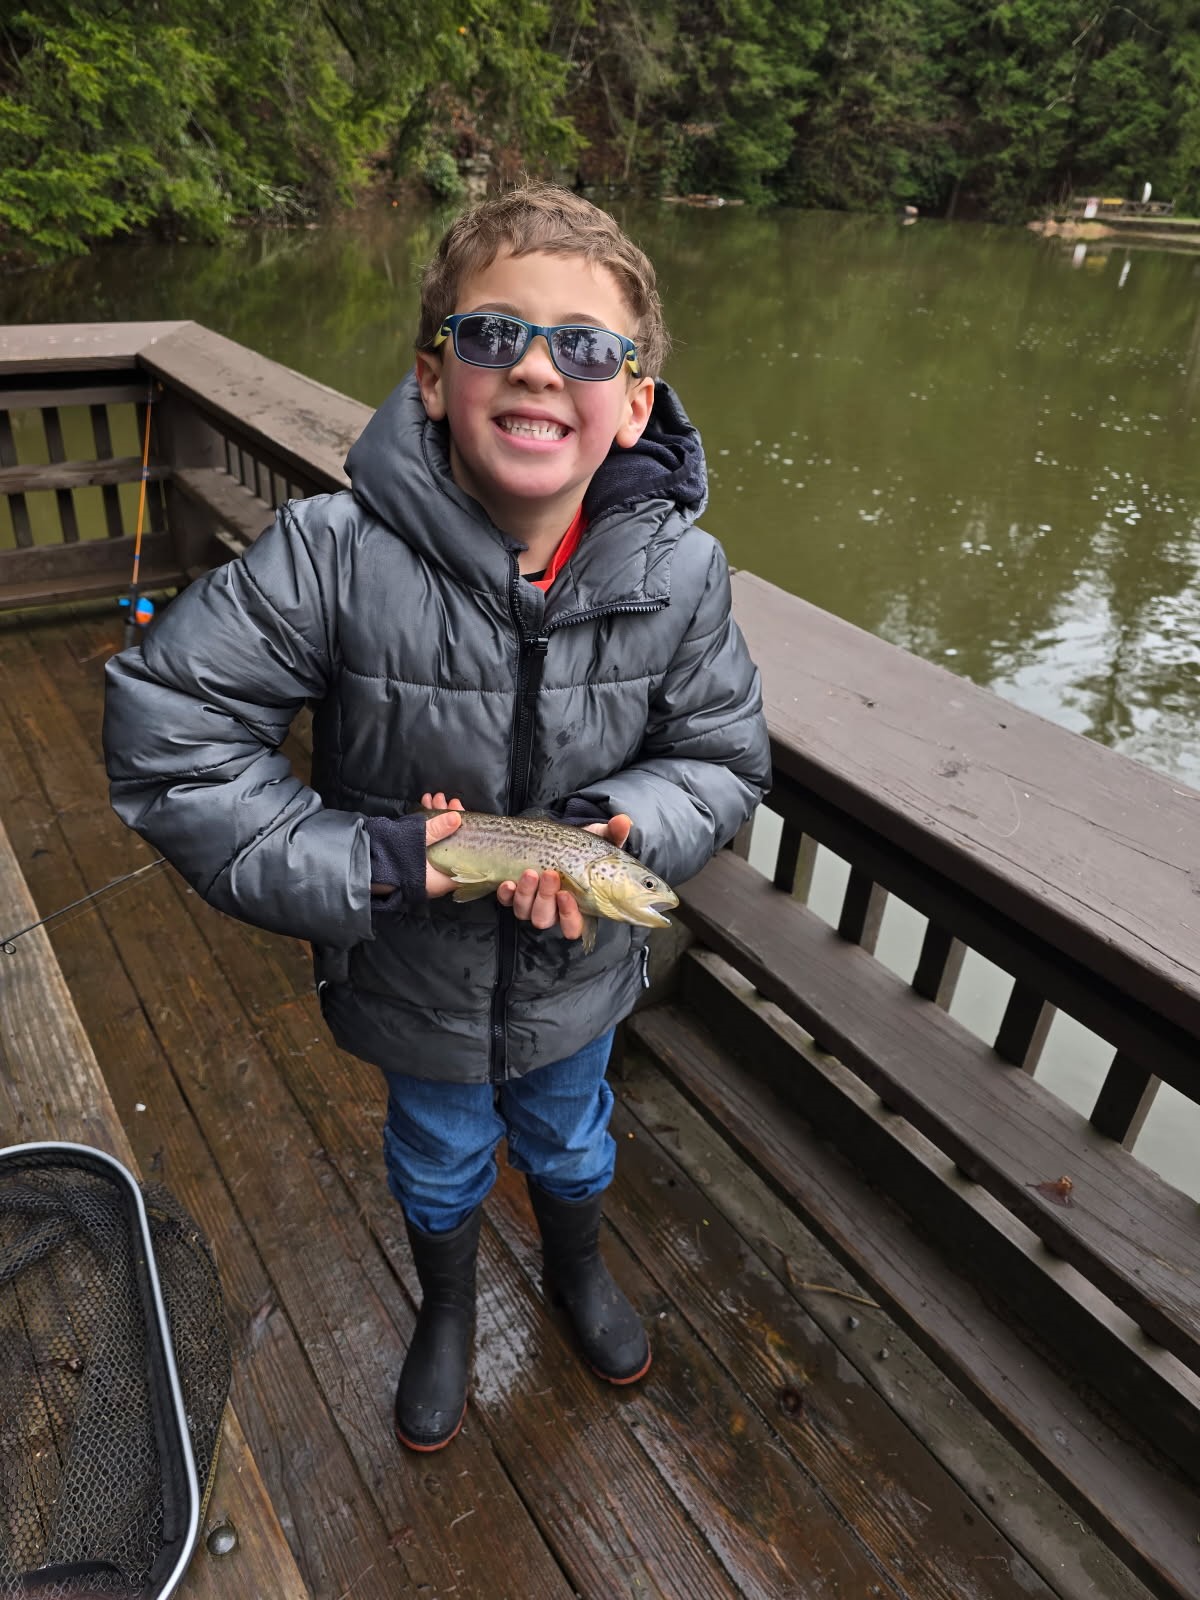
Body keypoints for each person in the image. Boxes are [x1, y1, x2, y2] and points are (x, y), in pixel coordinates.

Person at [103, 182, 771, 1453]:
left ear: (632, 403)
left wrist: (620, 831)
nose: (535, 366)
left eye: (585, 344)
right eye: (492, 336)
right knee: (439, 1153)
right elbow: (167, 735)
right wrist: (388, 861)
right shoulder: (330, 552)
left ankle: (577, 1269)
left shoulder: (685, 573)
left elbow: (720, 756)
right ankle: (449, 1307)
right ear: (430, 378)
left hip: (579, 982)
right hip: (414, 978)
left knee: (575, 1139)